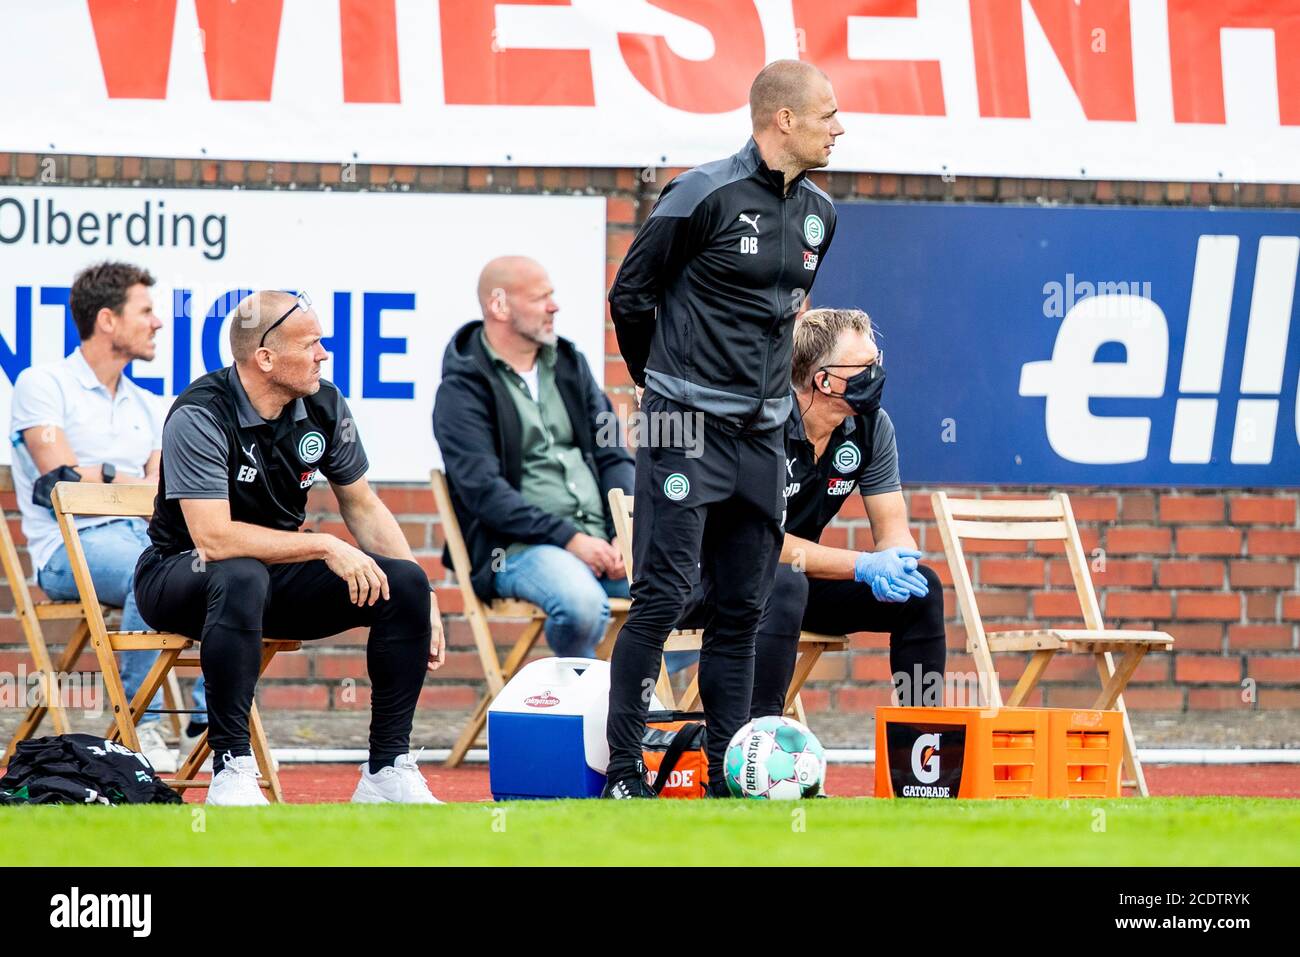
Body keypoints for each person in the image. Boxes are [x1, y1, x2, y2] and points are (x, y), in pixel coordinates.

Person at [603, 60, 844, 798]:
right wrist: (662, 385)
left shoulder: (820, 215)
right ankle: (622, 773)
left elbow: (783, 322)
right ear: (784, 121)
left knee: (745, 601)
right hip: (683, 420)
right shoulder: (700, 191)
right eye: (828, 114)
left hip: (762, 435)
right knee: (664, 594)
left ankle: (725, 779)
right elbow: (631, 294)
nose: (840, 127)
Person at [133, 290, 445, 806]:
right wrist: (323, 545)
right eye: (313, 343)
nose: (324, 354)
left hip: (269, 579)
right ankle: (231, 766)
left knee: (405, 584)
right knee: (240, 574)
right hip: (181, 574)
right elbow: (213, 538)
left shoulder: (323, 402)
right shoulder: (199, 412)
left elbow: (362, 505)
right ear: (265, 358)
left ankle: (387, 769)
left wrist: (424, 594)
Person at [9, 261, 202, 772]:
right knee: (153, 568)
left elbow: (167, 493)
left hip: (140, 539)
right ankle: (142, 727)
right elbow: (61, 487)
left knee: (221, 565)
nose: (158, 323)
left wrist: (100, 476)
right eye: (145, 311)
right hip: (66, 550)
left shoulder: (150, 402)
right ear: (107, 321)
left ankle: (209, 723)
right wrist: (128, 480)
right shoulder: (42, 383)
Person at [743, 307, 945, 717]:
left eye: (877, 362)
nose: (877, 375)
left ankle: (919, 753)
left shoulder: (872, 426)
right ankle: (759, 742)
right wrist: (864, 565)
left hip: (797, 582)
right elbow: (762, 544)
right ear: (824, 380)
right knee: (785, 582)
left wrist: (897, 561)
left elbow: (892, 528)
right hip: (723, 578)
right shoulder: (763, 421)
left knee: (922, 589)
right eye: (865, 367)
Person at [434, 256, 634, 658]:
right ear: (499, 306)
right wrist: (571, 539)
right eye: (541, 297)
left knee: (697, 597)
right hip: (515, 550)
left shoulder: (569, 365)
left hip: (602, 540)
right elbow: (485, 493)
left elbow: (613, 455)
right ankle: (587, 706)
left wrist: (623, 532)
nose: (554, 306)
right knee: (581, 607)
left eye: (553, 295)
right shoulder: (461, 390)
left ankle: (618, 696)